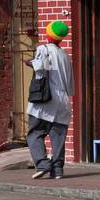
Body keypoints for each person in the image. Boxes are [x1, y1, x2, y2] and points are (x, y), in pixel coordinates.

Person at [25, 21, 74, 179]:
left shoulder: (43, 49)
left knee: (35, 133)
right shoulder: (66, 56)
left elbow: (40, 68)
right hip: (63, 101)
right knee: (58, 136)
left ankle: (42, 163)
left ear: (48, 34)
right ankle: (58, 169)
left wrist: (29, 63)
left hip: (45, 99)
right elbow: (71, 85)